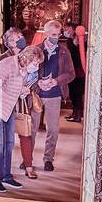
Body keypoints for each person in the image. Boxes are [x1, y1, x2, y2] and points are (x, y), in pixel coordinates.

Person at [0, 44, 45, 193]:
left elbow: (12, 86)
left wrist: (22, 91)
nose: (36, 67)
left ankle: (6, 176)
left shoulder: (22, 69)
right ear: (26, 58)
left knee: (9, 143)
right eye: (35, 63)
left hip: (8, 108)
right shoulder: (7, 65)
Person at [32, 19, 76, 172]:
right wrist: (38, 82)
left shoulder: (64, 51)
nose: (55, 37)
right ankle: (27, 159)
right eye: (52, 34)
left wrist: (56, 81)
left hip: (55, 94)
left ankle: (48, 159)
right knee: (32, 128)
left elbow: (71, 74)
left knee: (53, 130)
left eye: (58, 34)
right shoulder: (36, 49)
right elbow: (27, 73)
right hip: (37, 94)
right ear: (46, 33)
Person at [1, 27, 42, 179]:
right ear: (9, 43)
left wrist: (30, 88)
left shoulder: (31, 54)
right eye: (15, 38)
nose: (20, 39)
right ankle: (4, 171)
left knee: (26, 133)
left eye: (20, 36)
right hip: (8, 104)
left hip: (25, 102)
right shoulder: (4, 58)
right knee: (6, 138)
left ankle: (28, 166)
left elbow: (36, 77)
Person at [62, 22, 86, 123]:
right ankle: (74, 113)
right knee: (72, 93)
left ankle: (78, 116)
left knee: (78, 94)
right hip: (71, 70)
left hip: (79, 71)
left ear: (72, 29)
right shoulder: (70, 40)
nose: (65, 31)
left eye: (67, 29)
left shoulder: (81, 40)